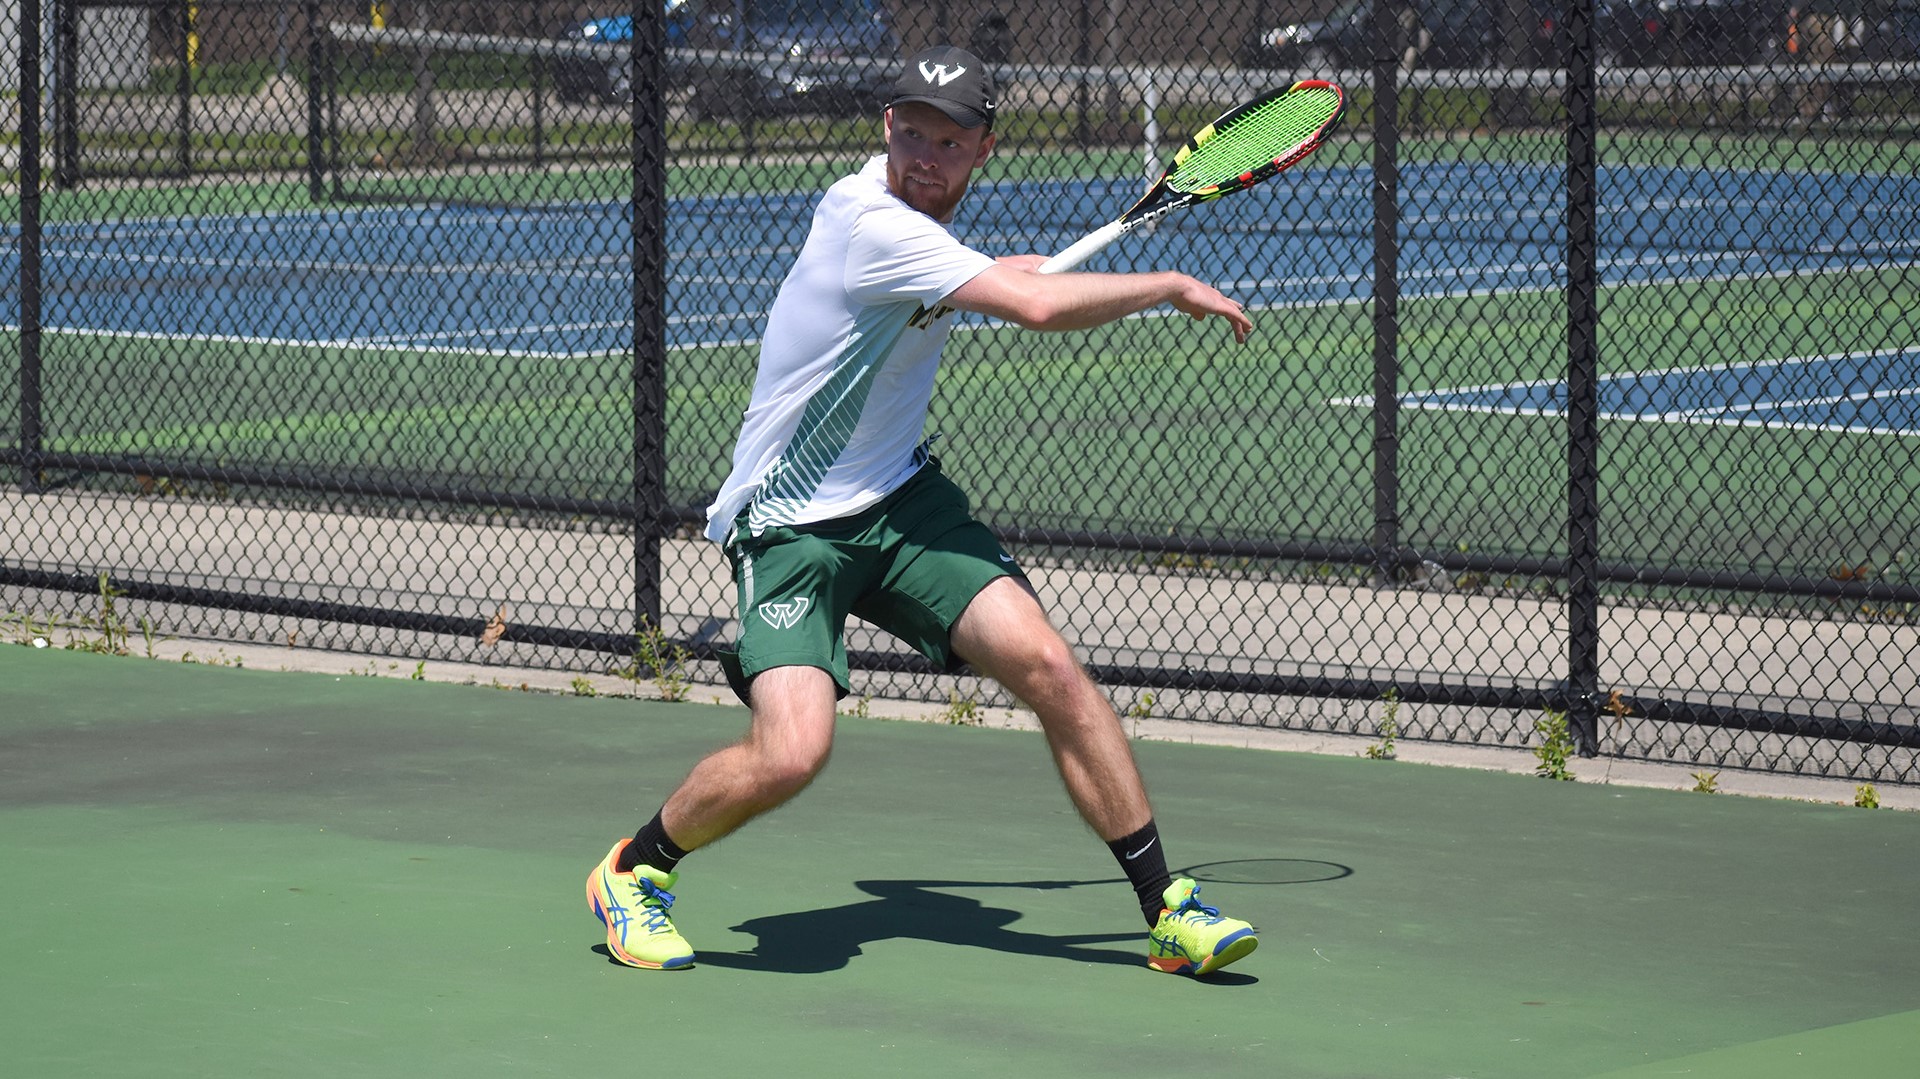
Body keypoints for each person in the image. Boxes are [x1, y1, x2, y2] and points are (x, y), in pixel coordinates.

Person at [587, 44, 1258, 978]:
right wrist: (1167, 285)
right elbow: (1028, 304)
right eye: (910, 134)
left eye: (947, 141)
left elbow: (987, 273)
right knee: (792, 752)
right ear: (885, 131)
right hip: (791, 524)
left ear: (983, 148)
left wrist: (1005, 270)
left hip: (900, 501)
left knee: (1050, 666)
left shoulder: (923, 236)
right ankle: (635, 870)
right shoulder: (867, 221)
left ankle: (1167, 911)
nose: (924, 157)